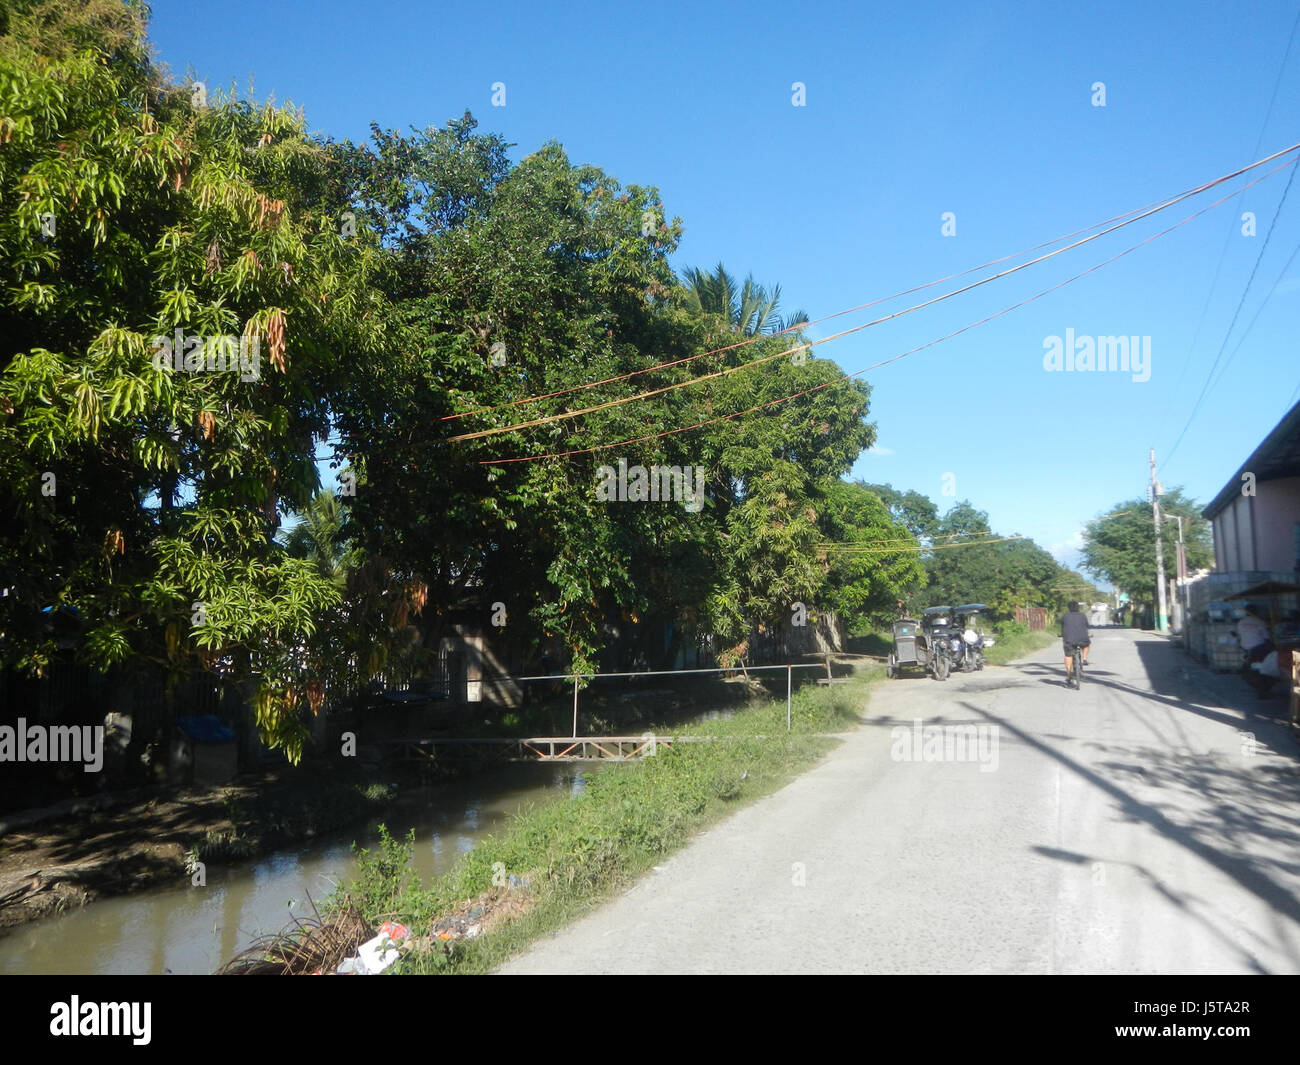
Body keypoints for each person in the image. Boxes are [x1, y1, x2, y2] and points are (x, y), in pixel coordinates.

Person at [1235, 604, 1274, 697]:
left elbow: (1239, 636)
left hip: (1246, 649)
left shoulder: (1240, 622)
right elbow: (1267, 637)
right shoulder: (1260, 622)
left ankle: (1262, 686)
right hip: (1259, 648)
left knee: (1248, 669)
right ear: (1256, 612)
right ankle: (1264, 686)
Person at [1060, 601, 1090, 687]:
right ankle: (1084, 658)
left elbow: (1063, 627)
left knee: (1068, 655)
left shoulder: (1065, 616)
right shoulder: (1083, 615)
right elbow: (1086, 626)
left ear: (1069, 608)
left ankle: (1069, 674)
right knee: (1086, 644)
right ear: (1078, 607)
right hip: (1082, 639)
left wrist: (1062, 634)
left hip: (1069, 640)